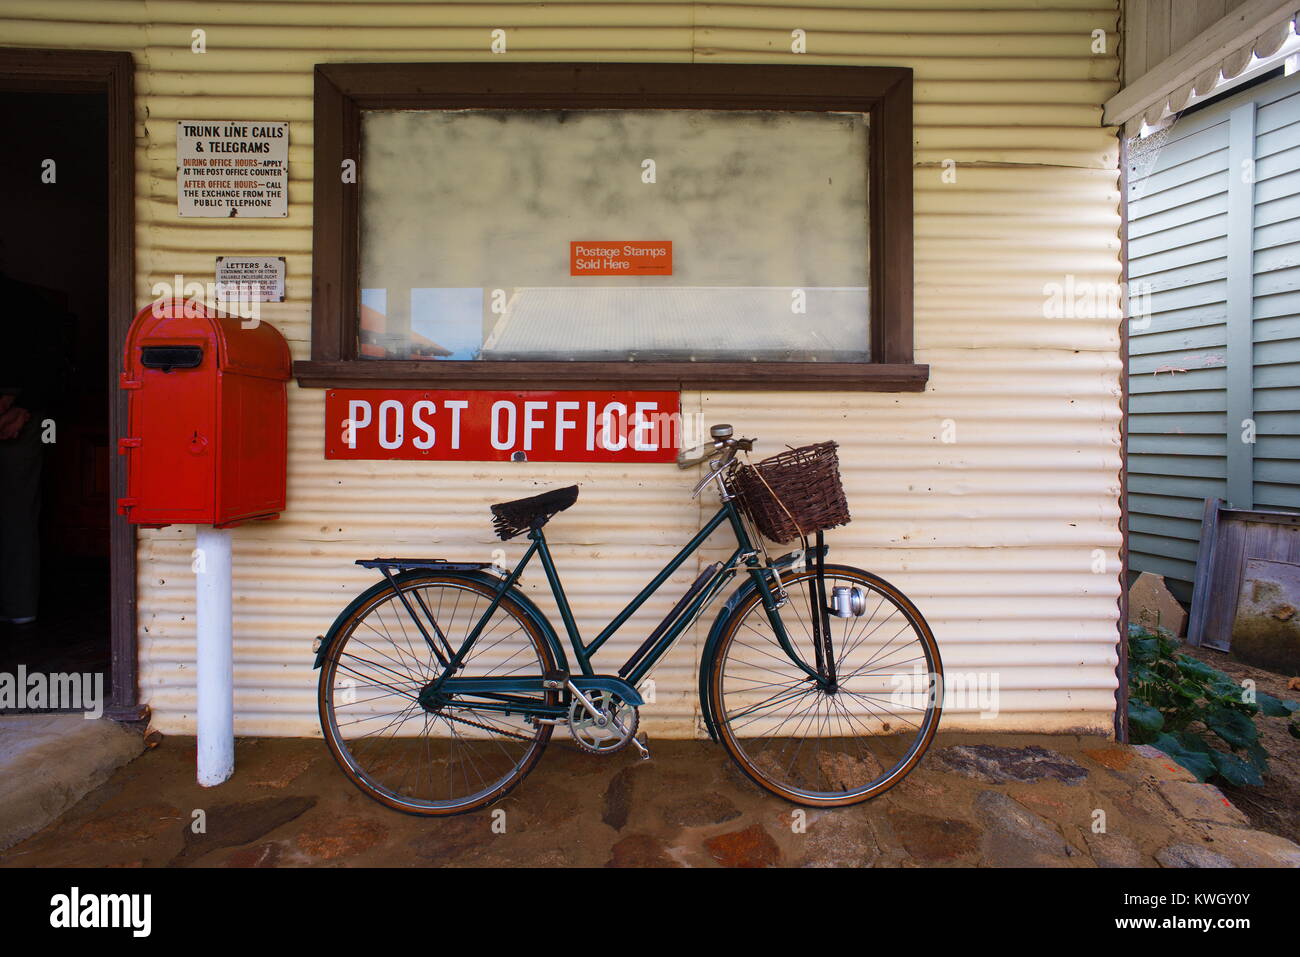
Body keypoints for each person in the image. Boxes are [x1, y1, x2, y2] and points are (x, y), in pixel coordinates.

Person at [0, 270, 70, 632]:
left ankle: (19, 605)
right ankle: (19, 606)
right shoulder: (33, 301)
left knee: (18, 510)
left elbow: (55, 361)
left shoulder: (30, 302)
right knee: (19, 510)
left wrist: (21, 406)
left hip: (27, 420)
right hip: (25, 414)